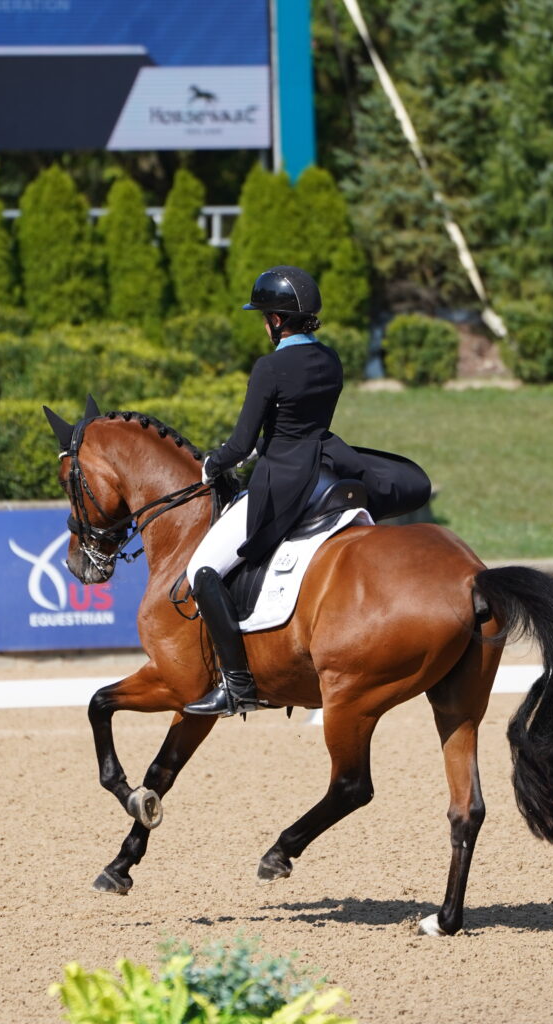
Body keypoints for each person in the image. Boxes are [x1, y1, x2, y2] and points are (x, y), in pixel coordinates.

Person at [183, 266, 430, 717]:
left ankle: (236, 685)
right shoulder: (330, 359)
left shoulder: (270, 366)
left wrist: (211, 463)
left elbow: (240, 445)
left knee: (202, 570)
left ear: (276, 321)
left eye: (264, 316)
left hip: (284, 479)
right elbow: (297, 423)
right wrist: (263, 444)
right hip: (327, 467)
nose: (263, 324)